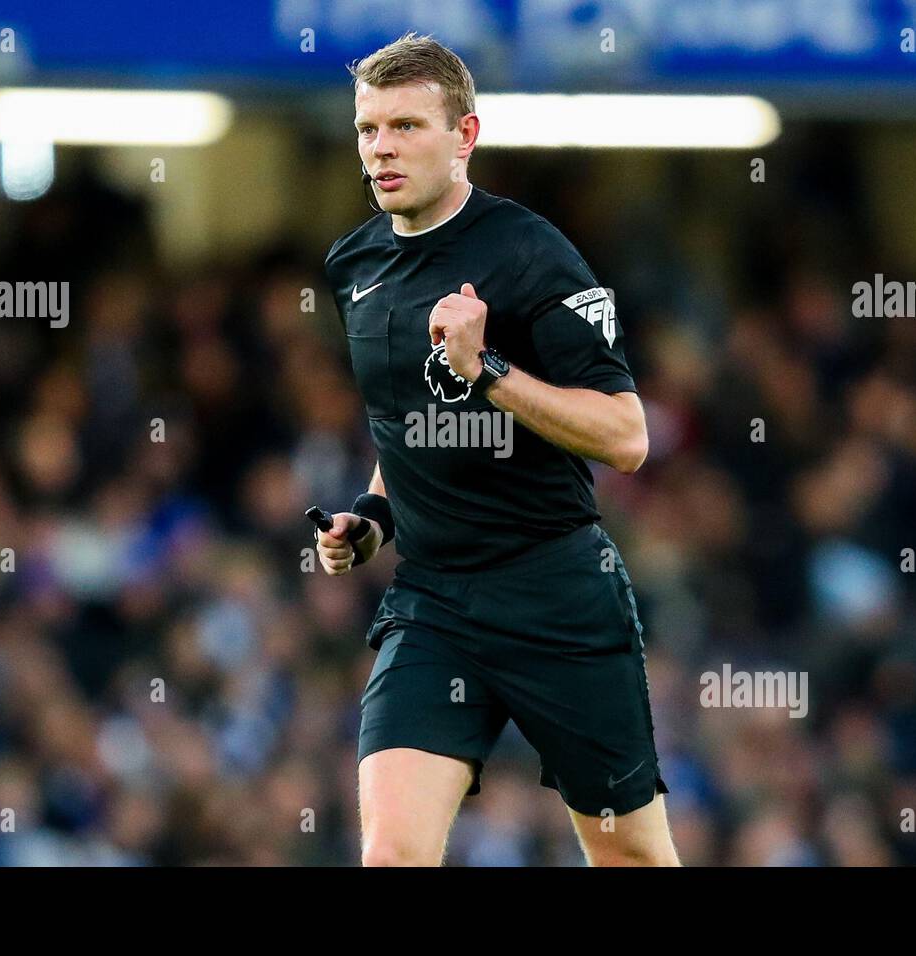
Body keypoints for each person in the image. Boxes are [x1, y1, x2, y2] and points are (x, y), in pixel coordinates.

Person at [319, 32, 679, 867]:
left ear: (465, 136)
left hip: (555, 592)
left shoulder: (530, 253)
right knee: (392, 854)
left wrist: (488, 372)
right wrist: (372, 518)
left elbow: (627, 436)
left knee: (630, 855)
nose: (381, 148)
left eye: (407, 126)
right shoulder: (354, 264)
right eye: (369, 128)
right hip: (434, 602)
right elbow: (406, 427)